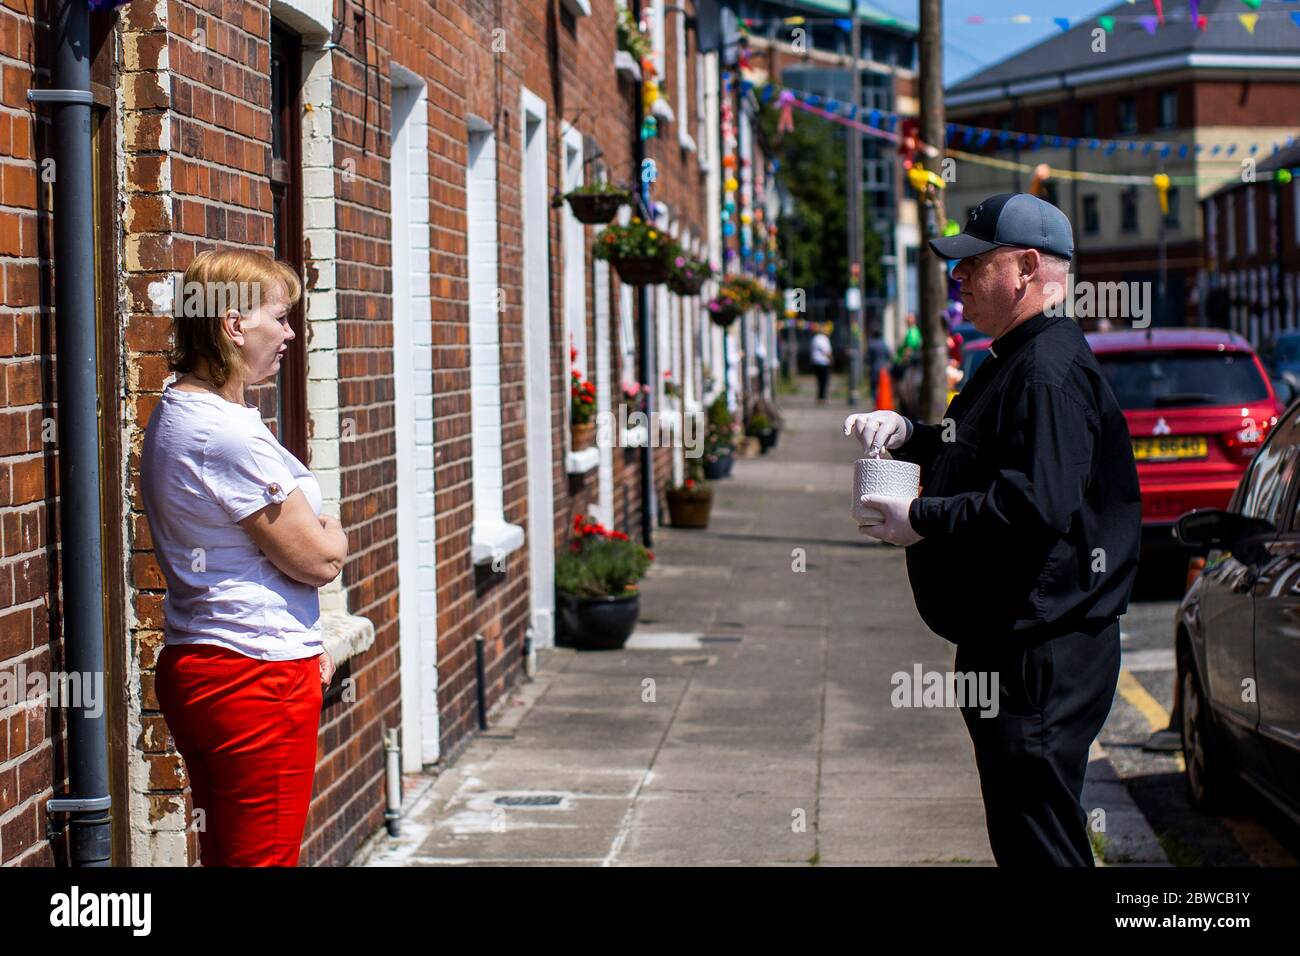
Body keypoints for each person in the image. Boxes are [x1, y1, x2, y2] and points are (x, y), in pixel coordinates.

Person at [843, 192, 1142, 866]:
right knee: (1024, 835)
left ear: (1028, 268)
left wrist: (919, 518)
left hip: (1042, 650)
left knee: (1041, 846)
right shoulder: (1016, 358)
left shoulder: (1046, 371)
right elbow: (982, 452)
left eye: (974, 266)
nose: (960, 281)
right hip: (1018, 643)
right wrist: (912, 435)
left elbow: (1034, 505)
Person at [141, 249, 348, 866]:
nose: (290, 333)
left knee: (230, 858)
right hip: (254, 678)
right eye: (280, 318)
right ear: (234, 326)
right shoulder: (222, 433)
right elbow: (316, 561)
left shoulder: (184, 412)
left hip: (210, 663)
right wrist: (332, 534)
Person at [810, 322, 833, 404]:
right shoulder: (823, 339)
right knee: (824, 381)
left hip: (815, 362)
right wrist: (831, 360)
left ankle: (820, 397)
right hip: (823, 362)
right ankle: (822, 398)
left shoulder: (815, 338)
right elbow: (826, 351)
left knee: (819, 381)